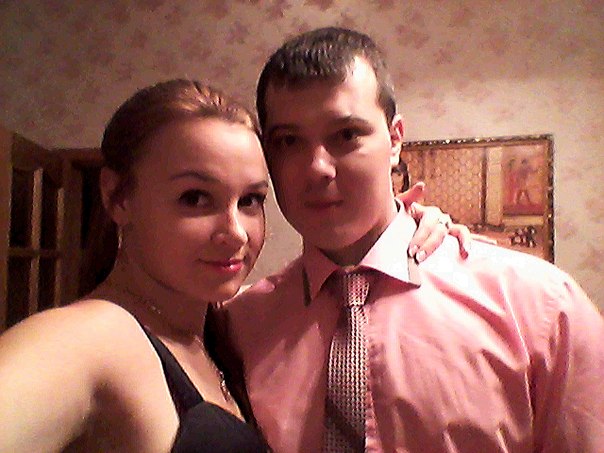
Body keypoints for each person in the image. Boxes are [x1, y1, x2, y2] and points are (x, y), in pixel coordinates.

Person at [0, 79, 472, 452]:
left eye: (250, 200)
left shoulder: (228, 327)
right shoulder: (92, 337)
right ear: (117, 197)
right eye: (194, 198)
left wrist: (401, 225)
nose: (237, 233)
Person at [222, 27, 604, 452]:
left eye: (346, 135)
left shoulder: (540, 307)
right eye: (289, 141)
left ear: (395, 140)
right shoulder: (239, 328)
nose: (318, 168)